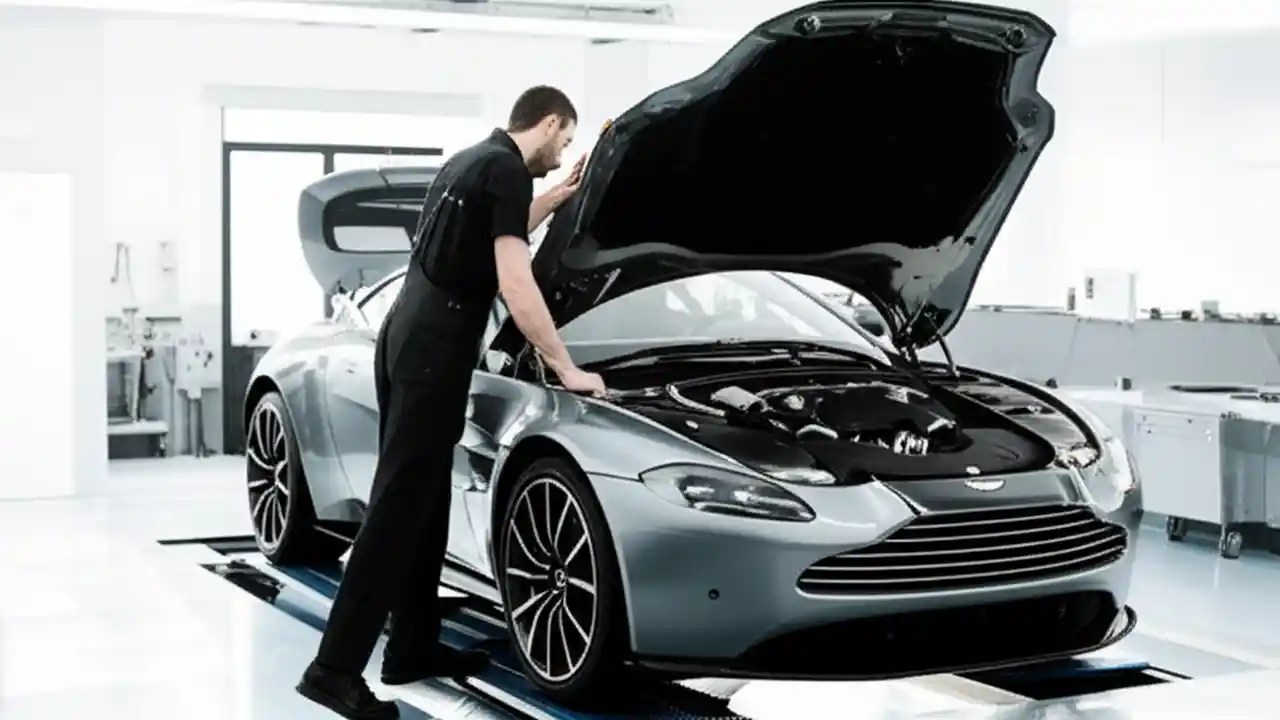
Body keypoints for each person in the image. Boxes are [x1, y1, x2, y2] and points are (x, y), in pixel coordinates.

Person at [295, 85, 607, 720]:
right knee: (396, 510)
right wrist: (565, 367)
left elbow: (488, 230)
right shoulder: (506, 172)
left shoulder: (471, 161)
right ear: (548, 123)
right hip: (435, 352)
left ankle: (412, 646)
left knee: (426, 498)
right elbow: (516, 283)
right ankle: (332, 671)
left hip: (406, 338)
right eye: (565, 140)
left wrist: (558, 198)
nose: (561, 153)